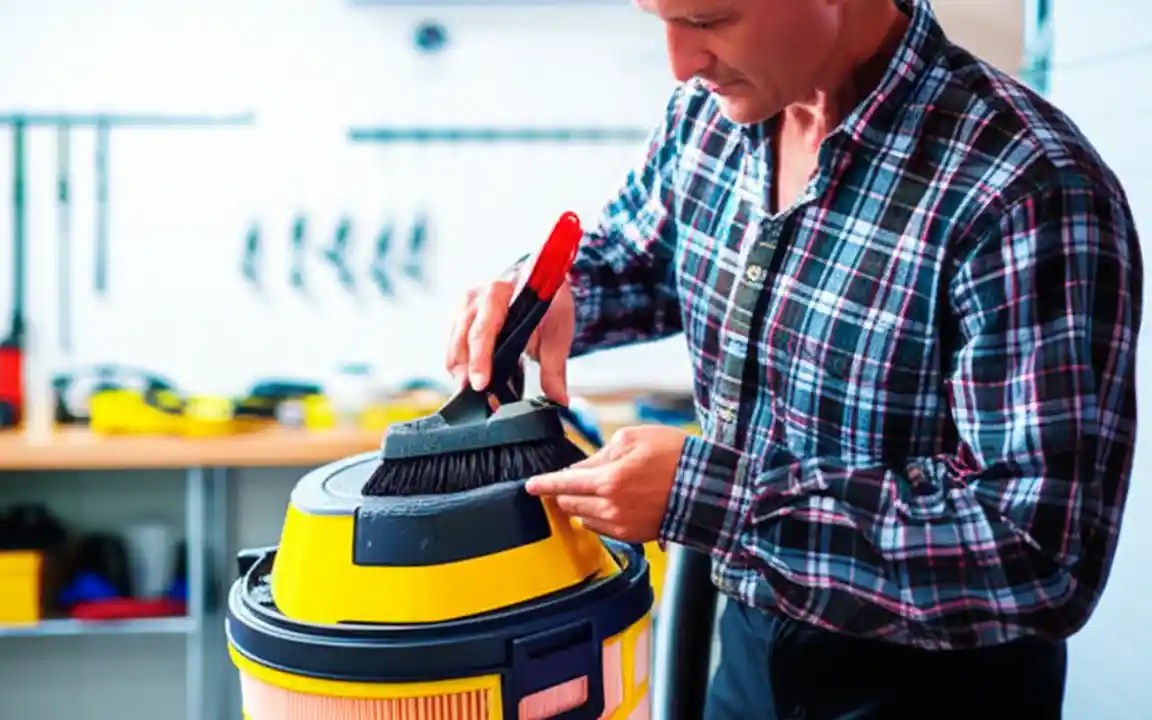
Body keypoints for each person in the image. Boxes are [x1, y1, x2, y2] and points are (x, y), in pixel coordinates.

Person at [446, 0, 1142, 717]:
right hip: (748, 651)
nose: (681, 62)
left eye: (710, 20)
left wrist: (713, 497)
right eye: (658, 17)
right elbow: (645, 260)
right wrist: (558, 291)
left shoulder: (1028, 189)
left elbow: (1035, 554)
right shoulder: (705, 116)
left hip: (932, 688)